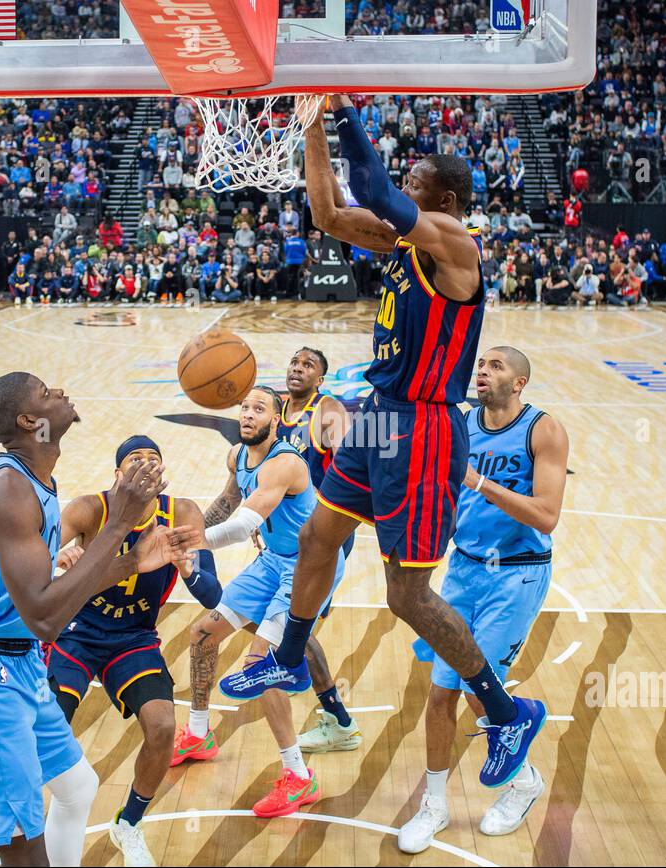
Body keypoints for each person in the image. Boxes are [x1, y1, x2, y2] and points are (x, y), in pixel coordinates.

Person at [221, 94, 547, 792]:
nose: (407, 179)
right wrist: (310, 127)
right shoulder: (404, 243)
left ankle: (503, 709)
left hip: (426, 428)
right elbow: (330, 213)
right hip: (380, 412)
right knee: (317, 536)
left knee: (406, 594)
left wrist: (339, 110)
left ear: (447, 196)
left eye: (420, 176)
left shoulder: (456, 246)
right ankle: (291, 650)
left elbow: (371, 188)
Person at [0, 372, 199, 866]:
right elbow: (46, 618)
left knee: (77, 788)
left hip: (20, 662)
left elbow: (55, 593)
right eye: (46, 393)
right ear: (31, 422)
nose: (61, 393)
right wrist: (118, 522)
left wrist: (134, 561)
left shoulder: (40, 480)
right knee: (24, 847)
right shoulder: (9, 488)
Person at [400, 347, 568, 852]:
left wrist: (479, 482)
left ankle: (522, 782)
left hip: (516, 575)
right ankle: (436, 805)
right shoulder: (461, 424)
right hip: (462, 571)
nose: (483, 372)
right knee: (441, 693)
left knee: (480, 687)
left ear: (519, 383)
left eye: (496, 367)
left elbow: (546, 515)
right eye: (482, 365)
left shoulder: (544, 429)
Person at [175, 387, 347, 818]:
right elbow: (225, 507)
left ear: (275, 421)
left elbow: (241, 526)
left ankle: (298, 778)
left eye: (259, 409)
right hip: (273, 561)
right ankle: (199, 733)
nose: (249, 414)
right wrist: (185, 533)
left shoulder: (286, 463)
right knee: (202, 633)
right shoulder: (237, 456)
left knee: (261, 667)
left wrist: (188, 543)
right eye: (245, 408)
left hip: (311, 565)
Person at [276, 347, 361, 753]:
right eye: (295, 362)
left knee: (292, 626)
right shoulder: (275, 413)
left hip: (323, 536)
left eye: (308, 365)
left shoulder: (326, 411)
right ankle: (334, 716)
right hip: (284, 539)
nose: (298, 368)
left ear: (321, 380)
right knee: (295, 626)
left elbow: (348, 463)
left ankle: (336, 721)